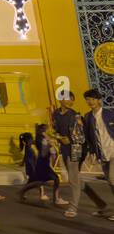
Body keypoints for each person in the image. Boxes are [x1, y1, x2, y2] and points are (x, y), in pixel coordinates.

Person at [75, 88, 114, 219]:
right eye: (87, 99)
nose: (90, 102)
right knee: (110, 181)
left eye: (92, 99)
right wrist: (92, 153)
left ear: (98, 100)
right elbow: (89, 137)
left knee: (113, 179)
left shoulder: (110, 113)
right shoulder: (88, 117)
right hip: (102, 153)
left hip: (113, 150)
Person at [18, 125, 66, 207]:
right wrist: (49, 146)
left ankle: (22, 192)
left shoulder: (40, 138)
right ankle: (56, 199)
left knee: (38, 182)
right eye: (47, 130)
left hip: (42, 163)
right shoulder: (41, 139)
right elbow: (43, 153)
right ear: (44, 131)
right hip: (43, 164)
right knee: (55, 179)